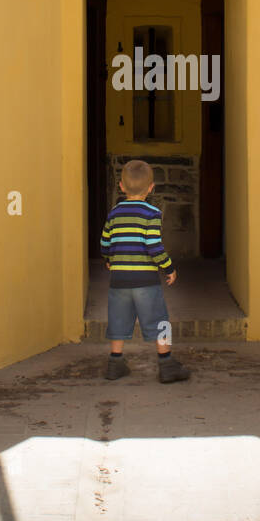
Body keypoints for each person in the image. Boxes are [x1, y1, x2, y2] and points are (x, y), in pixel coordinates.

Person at [99, 159, 190, 384]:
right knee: (160, 321)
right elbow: (154, 246)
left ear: (121, 186)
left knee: (118, 320)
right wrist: (168, 267)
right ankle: (167, 364)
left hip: (119, 280)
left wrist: (108, 258)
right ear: (151, 188)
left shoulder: (114, 213)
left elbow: (104, 241)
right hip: (145, 281)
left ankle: (115, 363)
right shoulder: (152, 213)